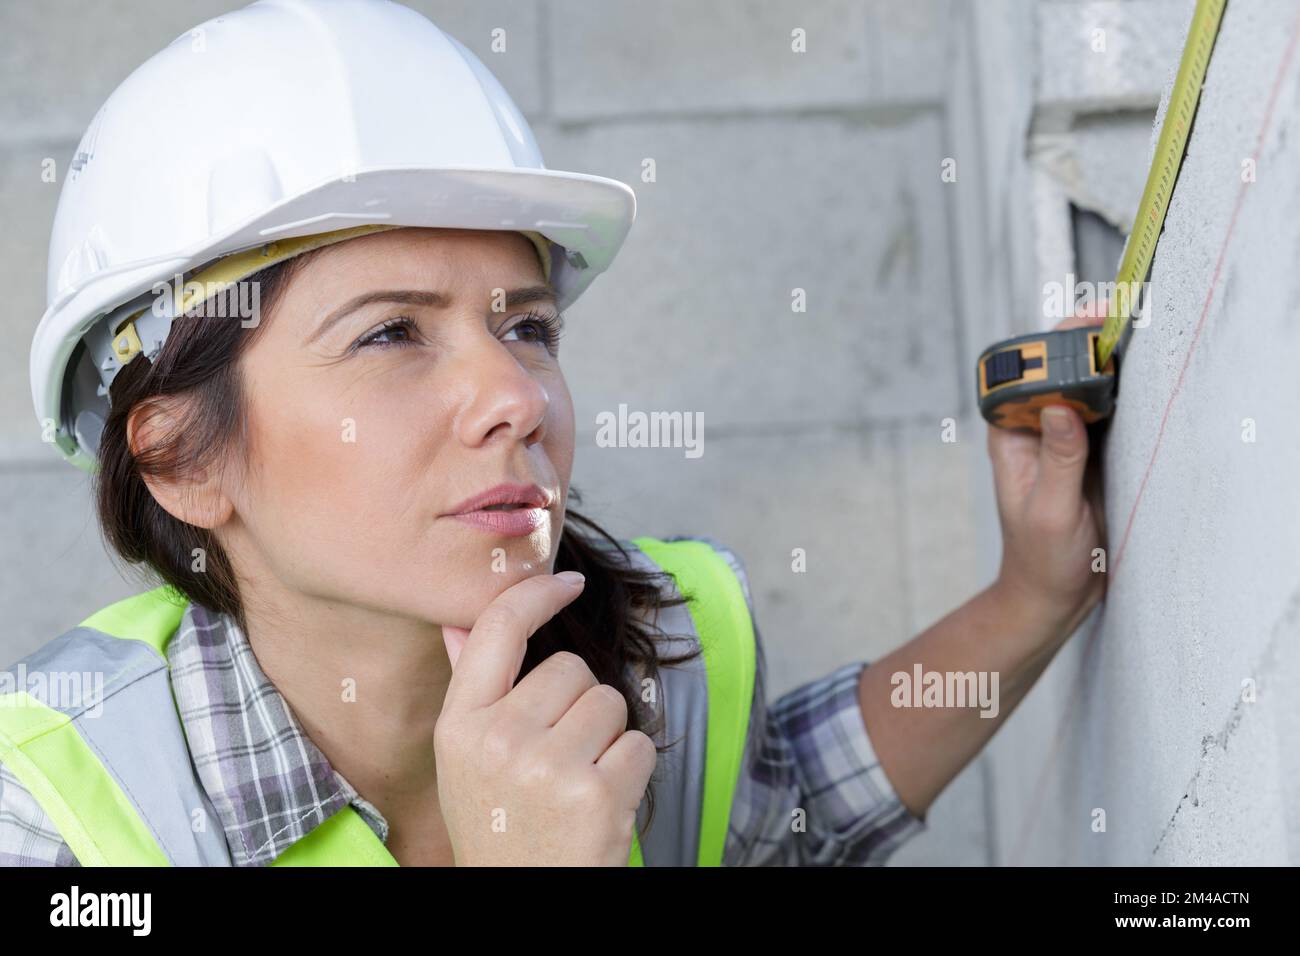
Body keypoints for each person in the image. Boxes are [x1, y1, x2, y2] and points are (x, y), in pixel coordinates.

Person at [0, 0, 1106, 867]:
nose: (518, 398)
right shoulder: (57, 814)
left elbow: (780, 810)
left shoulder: (666, 643)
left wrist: (1032, 594)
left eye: (525, 325)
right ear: (181, 458)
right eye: (390, 333)